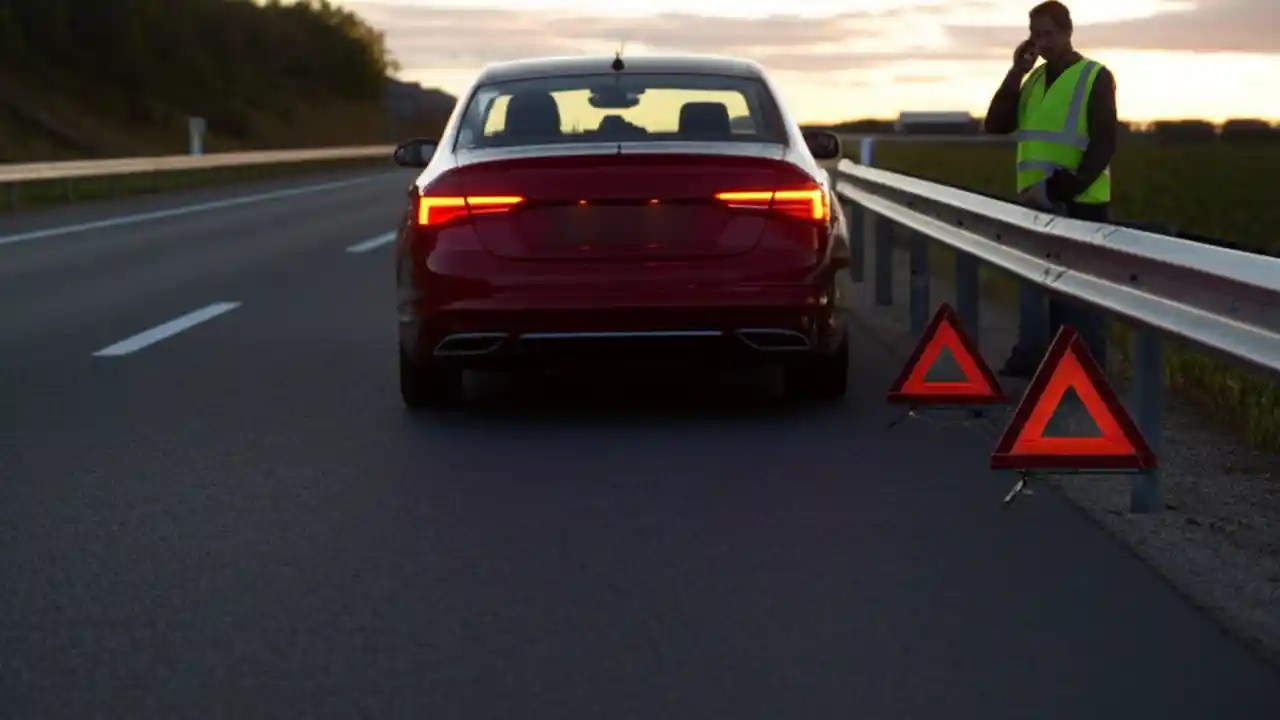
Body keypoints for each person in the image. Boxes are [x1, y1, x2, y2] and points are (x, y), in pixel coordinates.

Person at [983, 0, 1117, 377]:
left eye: (1049, 34)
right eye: (1035, 36)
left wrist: (1067, 188)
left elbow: (1104, 143)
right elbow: (995, 124)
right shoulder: (1034, 80)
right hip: (1035, 203)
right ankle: (1040, 364)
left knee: (1078, 300)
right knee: (1037, 289)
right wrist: (1015, 72)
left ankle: (1085, 374)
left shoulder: (1094, 76)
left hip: (1080, 204)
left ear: (1068, 32)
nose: (1042, 43)